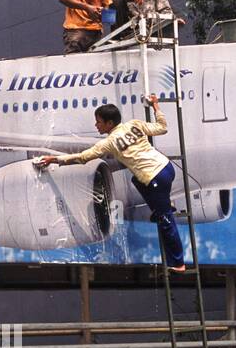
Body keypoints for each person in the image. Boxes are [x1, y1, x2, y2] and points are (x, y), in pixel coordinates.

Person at [35, 95, 187, 272]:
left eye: (98, 122)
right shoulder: (135, 124)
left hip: (154, 178)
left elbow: (83, 158)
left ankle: (178, 263)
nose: (96, 125)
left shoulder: (110, 142)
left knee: (166, 221)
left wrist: (54, 159)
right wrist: (155, 106)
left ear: (109, 124)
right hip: (166, 168)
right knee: (136, 180)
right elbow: (162, 127)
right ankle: (163, 204)